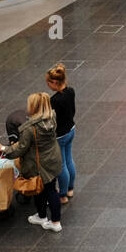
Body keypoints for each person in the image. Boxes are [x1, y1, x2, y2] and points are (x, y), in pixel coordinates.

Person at [0, 93, 63, 232]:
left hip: (38, 165)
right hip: (52, 159)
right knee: (50, 190)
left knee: (40, 190)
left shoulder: (29, 129)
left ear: (34, 107)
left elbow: (20, 149)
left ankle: (51, 221)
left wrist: (2, 148)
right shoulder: (52, 117)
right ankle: (50, 219)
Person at [45, 63, 76, 203]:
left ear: (55, 82)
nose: (48, 85)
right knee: (69, 160)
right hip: (71, 129)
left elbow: (51, 120)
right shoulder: (71, 91)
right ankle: (70, 189)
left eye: (48, 82)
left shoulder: (55, 100)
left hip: (60, 135)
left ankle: (62, 194)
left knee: (61, 165)